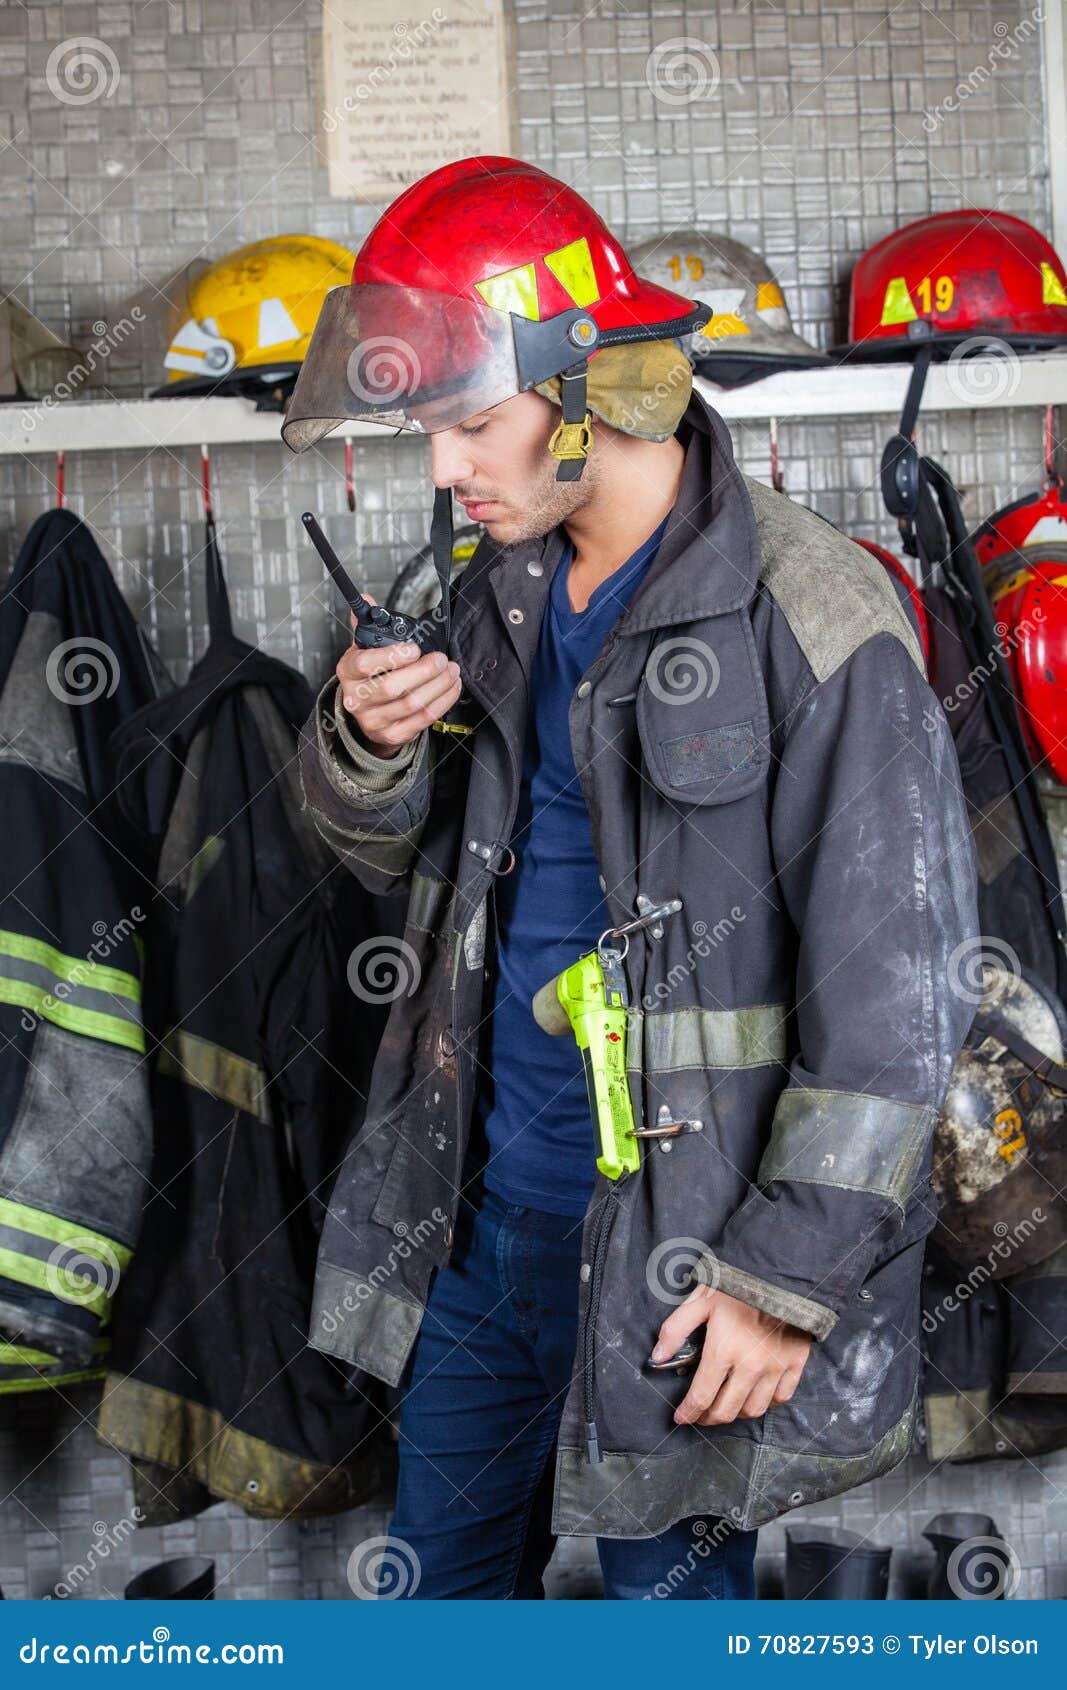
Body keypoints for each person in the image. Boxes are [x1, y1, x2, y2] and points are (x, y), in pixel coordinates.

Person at [285, 156, 980, 1600]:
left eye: (472, 422)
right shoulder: (491, 591)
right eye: (429, 426)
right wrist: (363, 740)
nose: (442, 468)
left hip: (690, 1269)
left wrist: (785, 1280)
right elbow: (372, 865)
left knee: (676, 1638)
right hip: (481, 1241)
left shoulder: (820, 620)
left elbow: (901, 1000)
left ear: (597, 392)